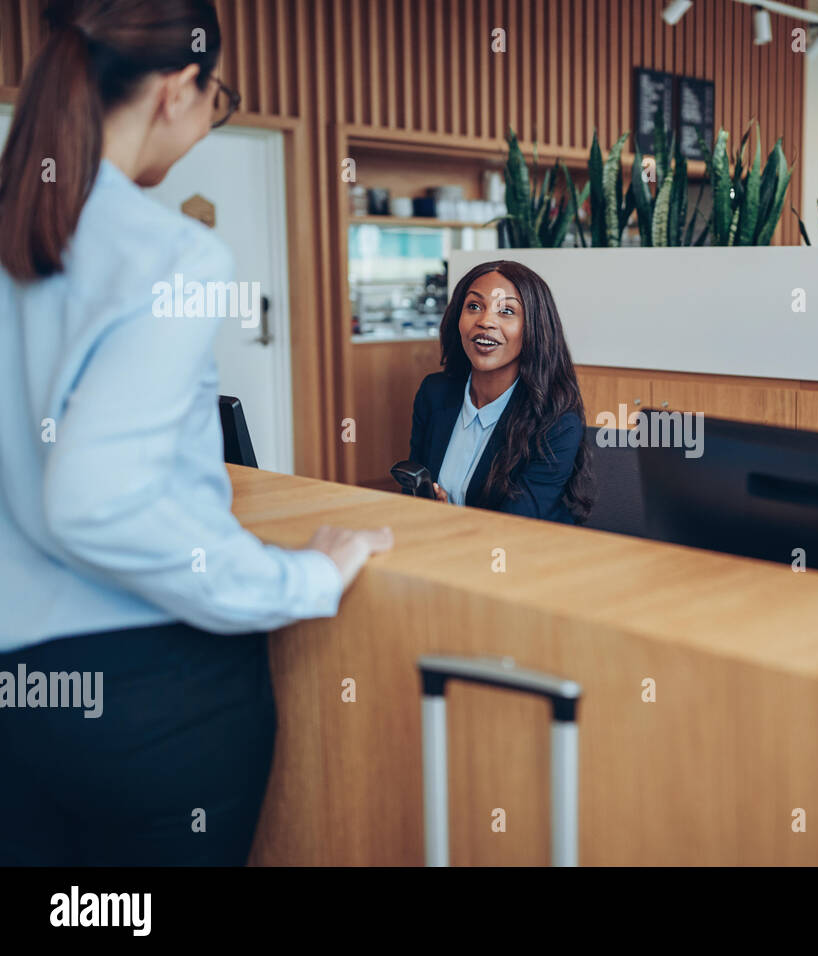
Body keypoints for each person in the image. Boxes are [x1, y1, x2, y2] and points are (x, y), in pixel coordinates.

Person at [0, 0, 392, 865]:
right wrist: (302, 578)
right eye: (218, 100)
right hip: (149, 696)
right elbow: (96, 503)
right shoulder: (171, 255)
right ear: (179, 89)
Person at [407, 259, 593, 524]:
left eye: (506, 311)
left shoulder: (557, 420)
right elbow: (412, 489)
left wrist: (448, 520)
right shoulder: (434, 393)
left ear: (534, 328)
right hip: (440, 549)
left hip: (525, 557)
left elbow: (514, 524)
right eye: (474, 306)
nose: (485, 321)